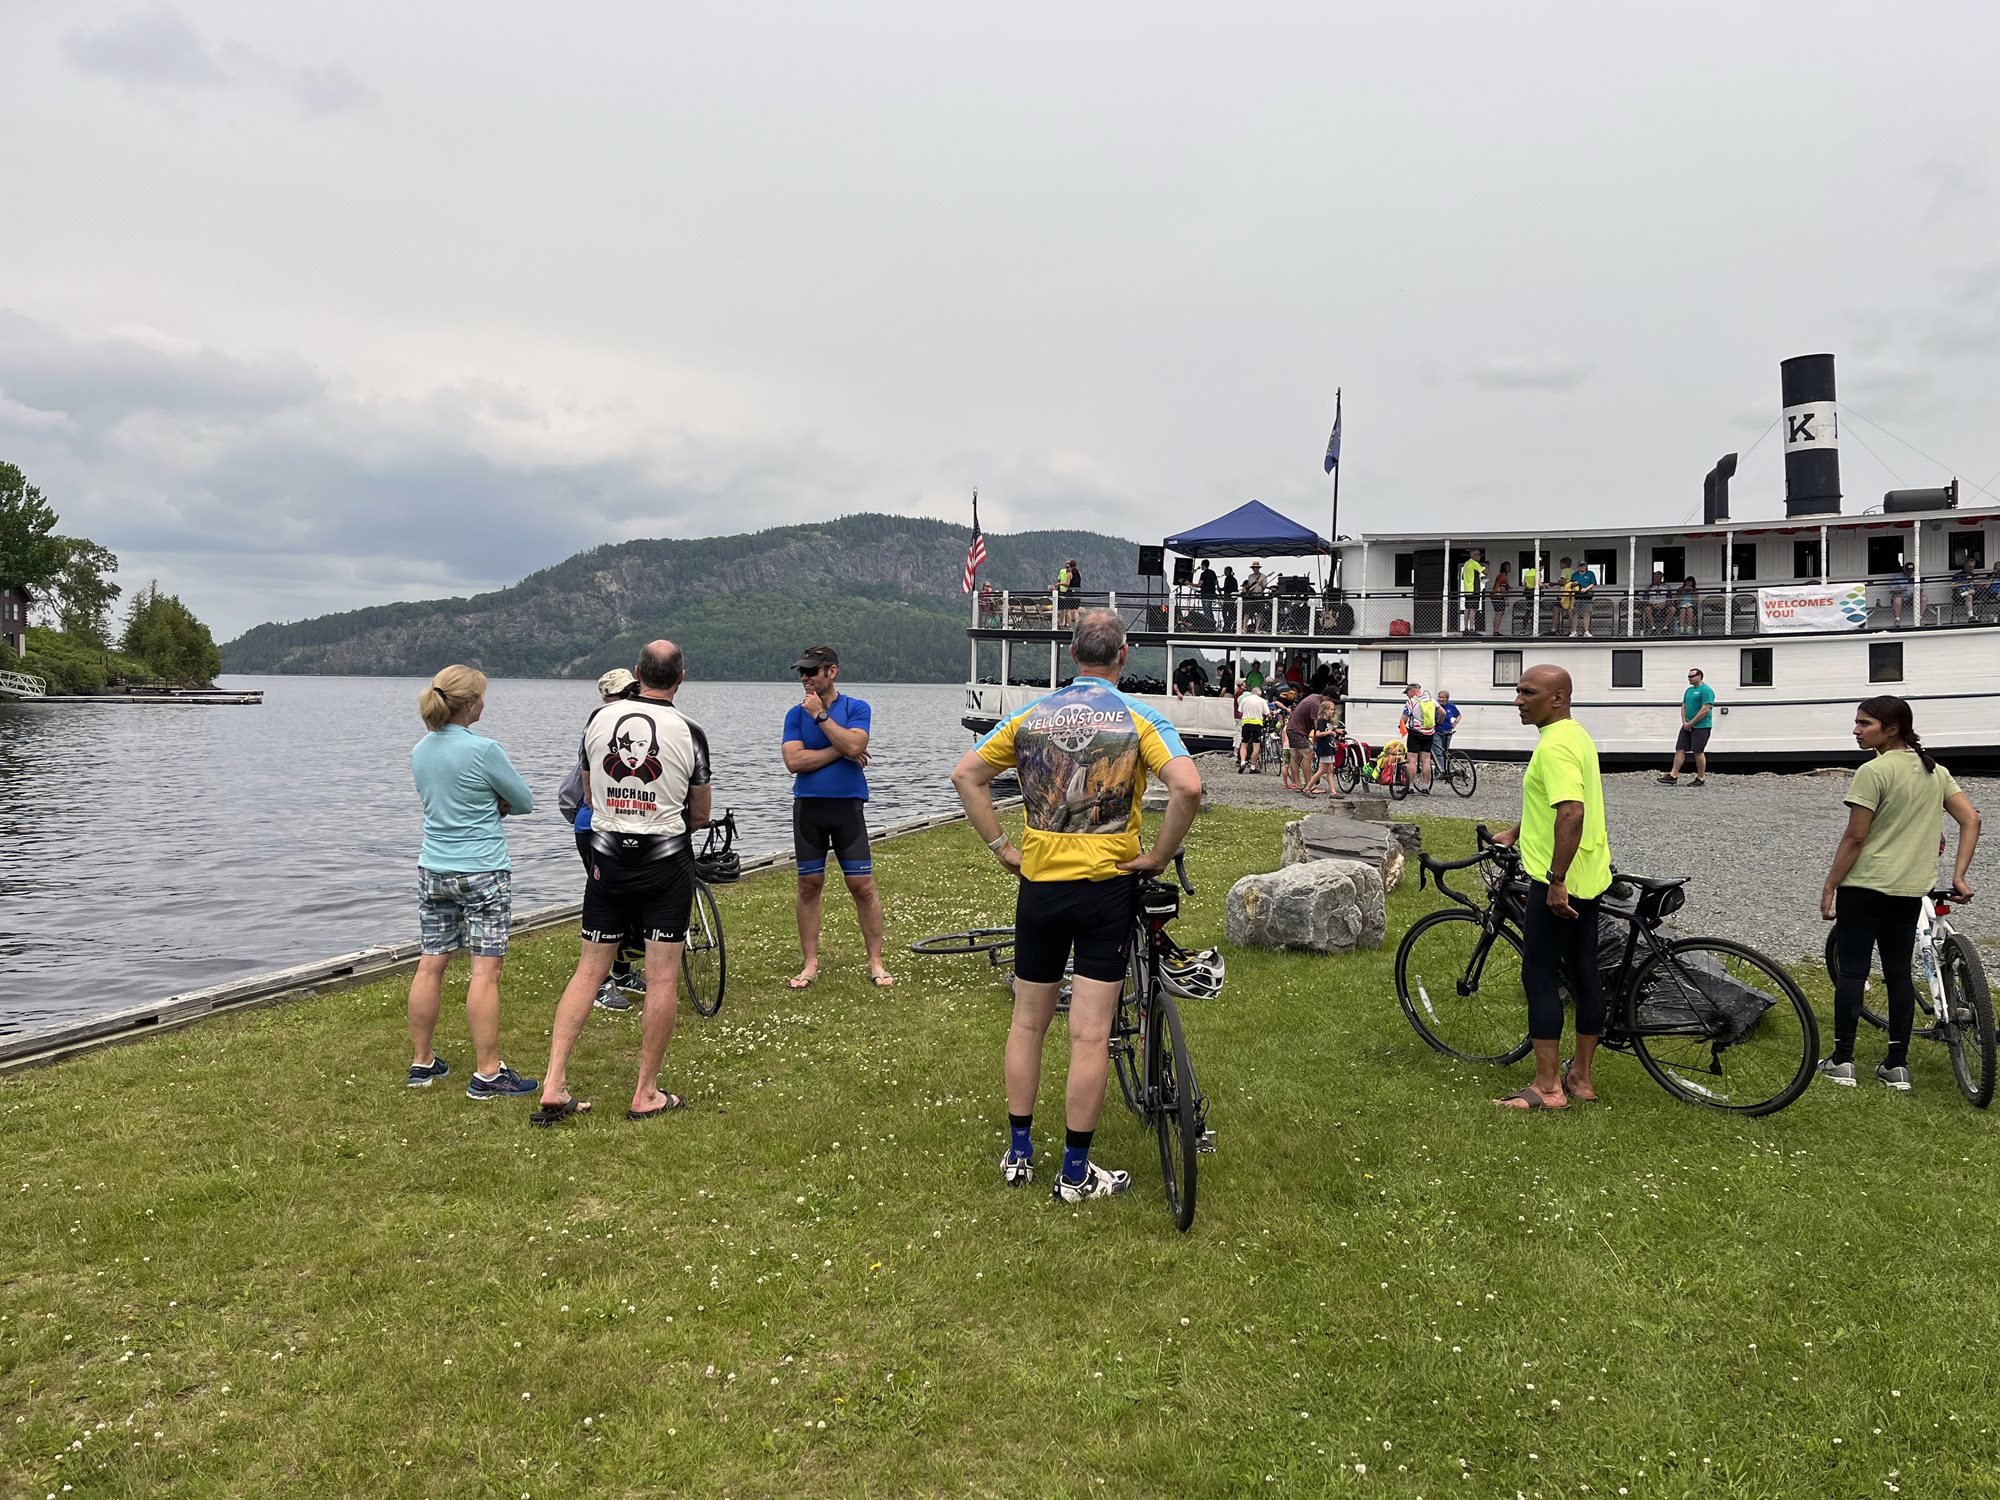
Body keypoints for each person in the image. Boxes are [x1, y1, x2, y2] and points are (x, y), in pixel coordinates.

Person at [949, 610, 1202, 1202]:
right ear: (1123, 655)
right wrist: (1157, 857)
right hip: (1104, 887)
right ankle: (1075, 1171)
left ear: (1071, 655)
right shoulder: (1139, 716)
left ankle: (1018, 1153)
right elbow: (1187, 787)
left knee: (1027, 1022)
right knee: (1089, 1036)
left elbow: (966, 774)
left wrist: (1003, 848)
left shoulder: (1030, 716)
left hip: (1039, 886)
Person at [533, 640, 711, 1125]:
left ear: (637, 672)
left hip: (606, 861)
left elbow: (588, 794)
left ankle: (553, 1083)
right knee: (661, 978)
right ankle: (645, 1092)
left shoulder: (597, 720)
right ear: (681, 676)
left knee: (589, 971)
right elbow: (700, 813)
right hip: (666, 863)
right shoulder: (690, 731)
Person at [1818, 696, 1982, 1090]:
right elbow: (1971, 819)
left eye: (1865, 723)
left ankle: (1842, 1060)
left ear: (1891, 730)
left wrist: (1830, 885)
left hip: (1866, 884)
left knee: (1854, 970)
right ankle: (1896, 1065)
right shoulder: (1936, 772)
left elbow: (1856, 837)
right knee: (1898, 974)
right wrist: (1959, 875)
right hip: (1911, 888)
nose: (1856, 729)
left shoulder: (1872, 772)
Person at [406, 665, 539, 1099]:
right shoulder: (485, 750)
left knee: (431, 964)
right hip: (482, 870)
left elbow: (441, 800)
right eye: (482, 696)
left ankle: (422, 1063)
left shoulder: (420, 750)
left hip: (434, 868)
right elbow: (524, 801)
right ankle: (487, 1073)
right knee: (485, 972)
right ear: (471, 703)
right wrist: (495, 805)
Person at [1492, 665, 1613, 1110]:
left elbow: (1571, 814)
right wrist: (1518, 831)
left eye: (1528, 692)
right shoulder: (1575, 735)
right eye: (1518, 691)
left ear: (1557, 698)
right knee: (1585, 973)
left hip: (1559, 881)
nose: (1518, 700)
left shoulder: (1554, 748)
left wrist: (1556, 882)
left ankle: (1547, 1088)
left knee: (1539, 975)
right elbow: (1555, 805)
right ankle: (1580, 1077)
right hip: (1591, 874)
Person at [782, 644, 888, 990]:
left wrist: (821, 718)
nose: (805, 678)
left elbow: (857, 746)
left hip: (847, 808)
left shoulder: (856, 708)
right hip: (809, 808)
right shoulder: (794, 715)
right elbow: (794, 763)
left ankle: (876, 961)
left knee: (863, 886)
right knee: (809, 885)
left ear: (832, 671)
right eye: (802, 672)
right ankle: (810, 962)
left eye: (812, 671)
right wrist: (840, 750)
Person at [558, 669, 645, 1011]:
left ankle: (622, 973)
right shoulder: (603, 724)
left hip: (615, 826)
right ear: (612, 697)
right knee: (608, 904)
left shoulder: (629, 723)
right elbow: (595, 781)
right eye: (626, 693)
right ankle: (600, 984)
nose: (632, 697)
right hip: (595, 827)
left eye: (634, 691)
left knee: (631, 900)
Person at [1658, 667, 1715, 786]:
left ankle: (1701, 778)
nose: (1689, 679)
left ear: (1699, 676)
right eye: (1688, 676)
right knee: (1680, 748)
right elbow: (1684, 706)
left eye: (1691, 676)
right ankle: (1673, 775)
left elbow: (1705, 710)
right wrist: (1684, 722)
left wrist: (1691, 723)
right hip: (1687, 725)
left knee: (1698, 751)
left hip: (1701, 726)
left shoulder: (1706, 690)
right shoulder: (1688, 690)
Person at [1286, 688, 1325, 792]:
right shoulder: (1315, 703)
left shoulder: (1313, 697)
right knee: (1307, 755)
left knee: (1294, 756)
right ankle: (1309, 786)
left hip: (1291, 728)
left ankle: (1297, 784)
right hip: (1298, 731)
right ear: (1328, 698)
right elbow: (1317, 725)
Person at [1399, 681, 1437, 789]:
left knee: (1412, 760)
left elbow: (1404, 719)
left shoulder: (1411, 702)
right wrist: (1437, 723)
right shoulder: (1431, 700)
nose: (1407, 695)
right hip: (1429, 733)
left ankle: (1410, 787)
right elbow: (1443, 713)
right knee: (1426, 760)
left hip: (1415, 733)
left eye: (1407, 692)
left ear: (1412, 691)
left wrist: (1400, 726)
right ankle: (1425, 787)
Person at [1302, 698, 1340, 796]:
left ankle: (1333, 792)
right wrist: (1330, 732)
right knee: (1322, 770)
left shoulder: (1329, 722)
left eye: (1333, 709)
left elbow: (1330, 730)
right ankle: (1307, 788)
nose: (1333, 711)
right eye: (1330, 709)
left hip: (1329, 747)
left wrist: (1335, 731)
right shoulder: (1321, 721)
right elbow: (1318, 733)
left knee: (1330, 771)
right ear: (1325, 710)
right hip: (1324, 748)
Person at [1236, 681, 1269, 774]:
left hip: (1246, 723)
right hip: (1257, 724)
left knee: (1244, 744)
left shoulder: (1245, 700)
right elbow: (1268, 714)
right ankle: (1253, 767)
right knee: (1256, 746)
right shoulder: (1262, 701)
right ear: (1259, 693)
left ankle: (1242, 762)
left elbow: (1240, 712)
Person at [1459, 548, 1487, 632]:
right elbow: (1486, 572)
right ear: (1474, 555)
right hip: (1474, 590)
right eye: (1479, 554)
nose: (1480, 556)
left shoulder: (1466, 564)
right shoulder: (1474, 563)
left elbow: (1463, 577)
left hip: (1467, 590)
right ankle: (1472, 629)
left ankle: (1466, 628)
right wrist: (1488, 565)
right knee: (1473, 609)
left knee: (1467, 609)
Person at [1569, 558, 1597, 637]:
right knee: (1575, 613)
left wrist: (1586, 589)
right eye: (1580, 566)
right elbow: (1570, 585)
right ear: (1578, 567)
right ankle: (1574, 631)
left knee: (1586, 613)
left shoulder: (1590, 574)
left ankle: (1586, 631)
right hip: (1577, 596)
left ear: (1586, 566)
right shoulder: (1574, 574)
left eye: (1583, 565)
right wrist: (1574, 584)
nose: (1582, 567)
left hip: (1587, 596)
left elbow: (1593, 583)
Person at [1887, 562, 1916, 628]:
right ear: (1904, 569)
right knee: (1897, 599)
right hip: (1901, 597)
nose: (1909, 572)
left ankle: (1919, 619)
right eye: (1908, 571)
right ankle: (1897, 619)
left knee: (1924, 598)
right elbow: (1891, 590)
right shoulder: (1898, 577)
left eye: (1911, 571)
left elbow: (1920, 589)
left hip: (1912, 597)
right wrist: (1901, 590)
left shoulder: (1915, 577)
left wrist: (1917, 593)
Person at [1434, 689, 1461, 760]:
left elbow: (1458, 715)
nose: (1441, 699)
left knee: (1445, 752)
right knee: (1438, 752)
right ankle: (1440, 770)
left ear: (1447, 698)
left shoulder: (1451, 706)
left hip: (1447, 731)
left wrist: (1455, 723)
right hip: (1436, 731)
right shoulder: (1435, 705)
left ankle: (1446, 768)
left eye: (1443, 697)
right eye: (1439, 697)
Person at [1644, 569, 1672, 634]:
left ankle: (1665, 628)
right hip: (1652, 606)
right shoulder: (1649, 587)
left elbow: (1670, 599)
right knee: (1647, 609)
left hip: (1664, 606)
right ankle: (1653, 628)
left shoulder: (1666, 587)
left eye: (1657, 577)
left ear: (1661, 577)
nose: (1655, 578)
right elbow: (1645, 599)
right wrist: (1651, 604)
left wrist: (1665, 604)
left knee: (1672, 609)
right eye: (1655, 577)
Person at [1555, 558, 1577, 634]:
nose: (1560, 565)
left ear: (1564, 564)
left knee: (1556, 611)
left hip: (1562, 594)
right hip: (1570, 594)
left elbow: (1563, 582)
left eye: (1561, 563)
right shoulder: (1573, 571)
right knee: (1570, 612)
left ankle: (1555, 629)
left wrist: (1558, 582)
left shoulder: (1564, 571)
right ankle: (1572, 629)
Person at [1489, 562, 1512, 635]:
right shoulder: (1503, 576)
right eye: (1508, 566)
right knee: (1499, 613)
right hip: (1498, 597)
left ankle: (1496, 631)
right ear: (1505, 568)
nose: (1510, 568)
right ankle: (1495, 631)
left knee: (1498, 614)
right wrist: (1506, 600)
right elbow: (1502, 589)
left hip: (1496, 596)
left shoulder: (1501, 575)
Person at [1197, 559, 1218, 625]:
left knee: (1206, 611)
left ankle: (1209, 625)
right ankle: (1212, 624)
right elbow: (1216, 582)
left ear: (1203, 565)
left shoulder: (1203, 574)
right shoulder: (1212, 572)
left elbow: (1199, 585)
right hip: (1211, 594)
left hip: (1205, 594)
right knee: (1209, 609)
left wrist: (1189, 583)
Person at [1221, 565, 1239, 629]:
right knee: (1230, 612)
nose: (1224, 572)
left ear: (1228, 571)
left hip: (1228, 598)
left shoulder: (1228, 578)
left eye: (1225, 571)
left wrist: (1220, 589)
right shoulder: (1234, 579)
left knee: (1224, 612)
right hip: (1232, 598)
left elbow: (1226, 588)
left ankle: (1227, 624)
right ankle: (1228, 624)